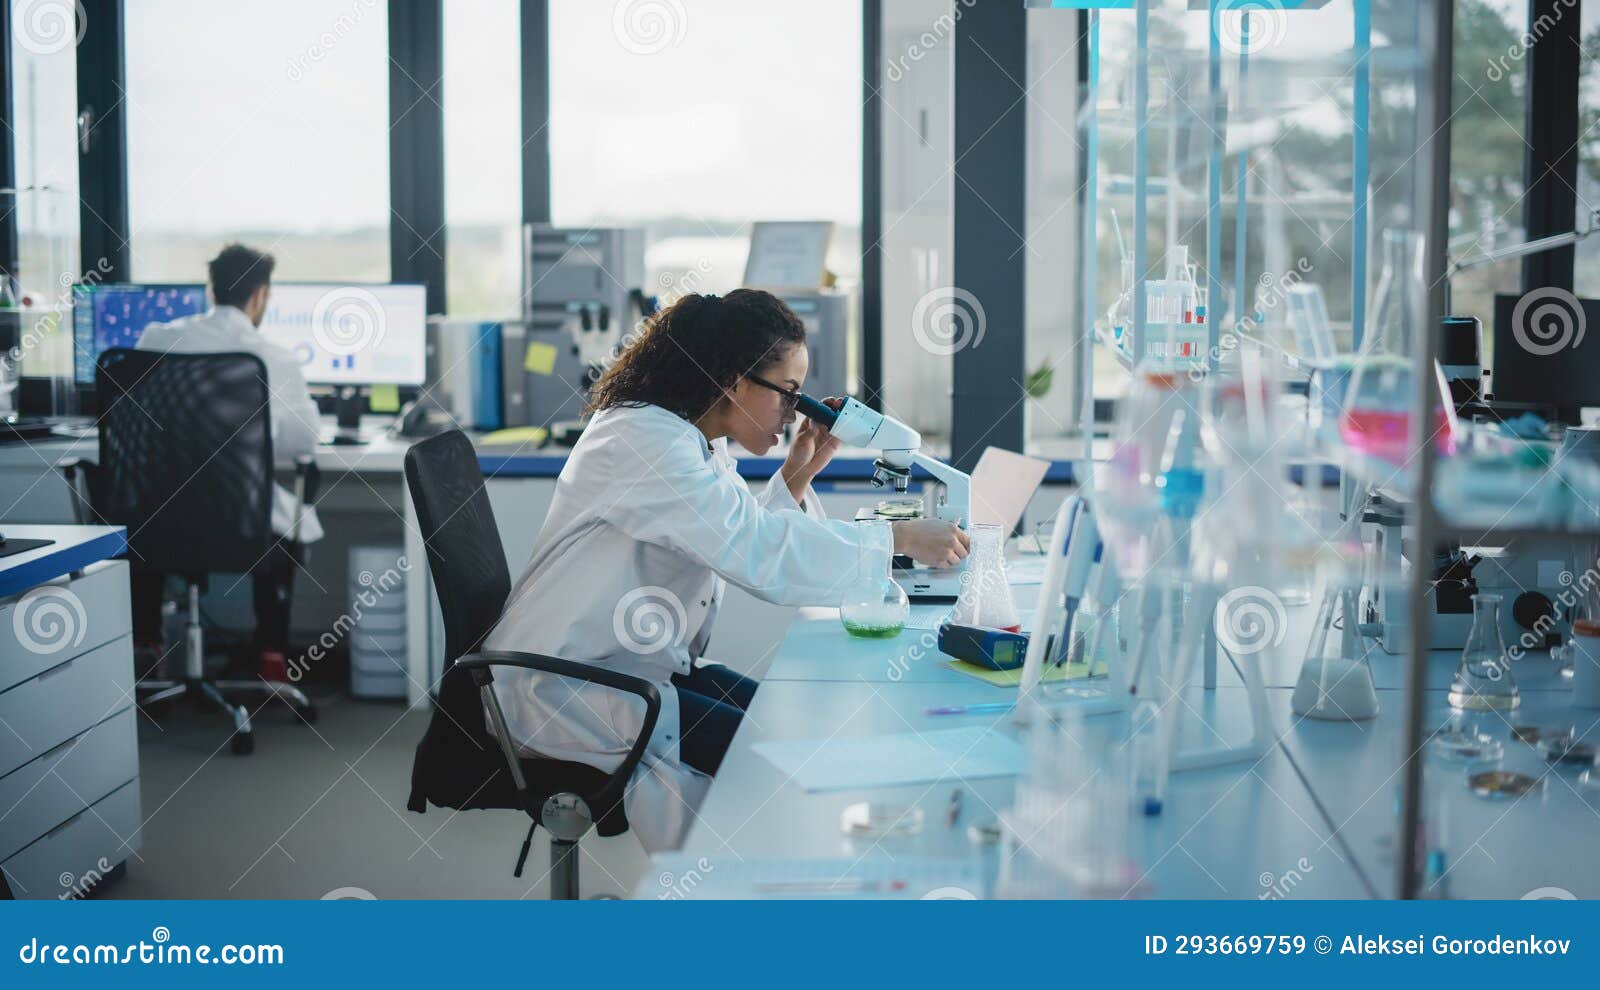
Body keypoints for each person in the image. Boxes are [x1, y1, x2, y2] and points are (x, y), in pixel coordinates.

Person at [483, 289, 969, 851]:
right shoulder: (644, 442)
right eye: (787, 393)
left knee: (784, 729)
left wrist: (797, 475)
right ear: (733, 382)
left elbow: (736, 529)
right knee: (765, 765)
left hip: (631, 666)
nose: (795, 412)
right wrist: (897, 538)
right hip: (564, 688)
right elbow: (755, 551)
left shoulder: (687, 441)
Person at [134, 244, 323, 681]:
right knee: (285, 515)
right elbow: (303, 445)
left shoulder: (154, 340)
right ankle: (271, 655)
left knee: (148, 519)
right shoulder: (275, 358)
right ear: (260, 295)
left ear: (211, 289)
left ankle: (146, 643)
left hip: (156, 521)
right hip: (239, 524)